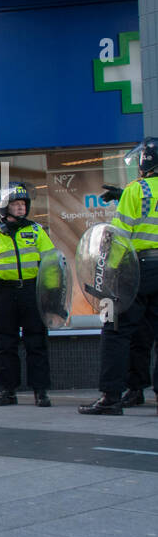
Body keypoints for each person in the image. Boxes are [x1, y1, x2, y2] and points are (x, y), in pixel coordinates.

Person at [80, 138, 158, 415]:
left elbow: (119, 238)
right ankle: (140, 390)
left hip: (138, 269)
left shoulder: (137, 190)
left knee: (116, 330)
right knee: (149, 332)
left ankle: (111, 396)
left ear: (146, 161)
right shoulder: (138, 190)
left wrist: (109, 274)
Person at [0, 181, 56, 407]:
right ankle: (8, 392)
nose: (21, 208)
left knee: (36, 342)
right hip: (4, 295)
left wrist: (51, 294)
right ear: (4, 207)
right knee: (5, 344)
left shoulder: (36, 231)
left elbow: (50, 264)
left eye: (23, 204)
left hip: (31, 291)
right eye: (16, 204)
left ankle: (41, 391)